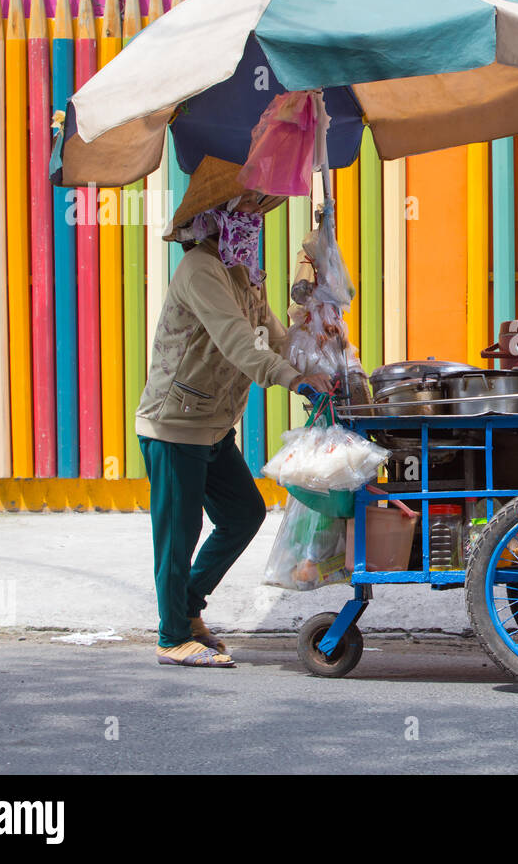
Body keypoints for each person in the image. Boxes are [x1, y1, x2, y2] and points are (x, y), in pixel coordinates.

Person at [136, 157, 332, 667]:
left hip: (214, 423)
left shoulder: (242, 272)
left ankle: (186, 608)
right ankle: (172, 635)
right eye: (244, 206)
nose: (253, 216)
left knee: (242, 514)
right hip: (175, 425)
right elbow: (238, 343)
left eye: (256, 207)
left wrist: (314, 349)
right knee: (178, 535)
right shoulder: (201, 269)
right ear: (217, 216)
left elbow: (274, 335)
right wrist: (292, 380)